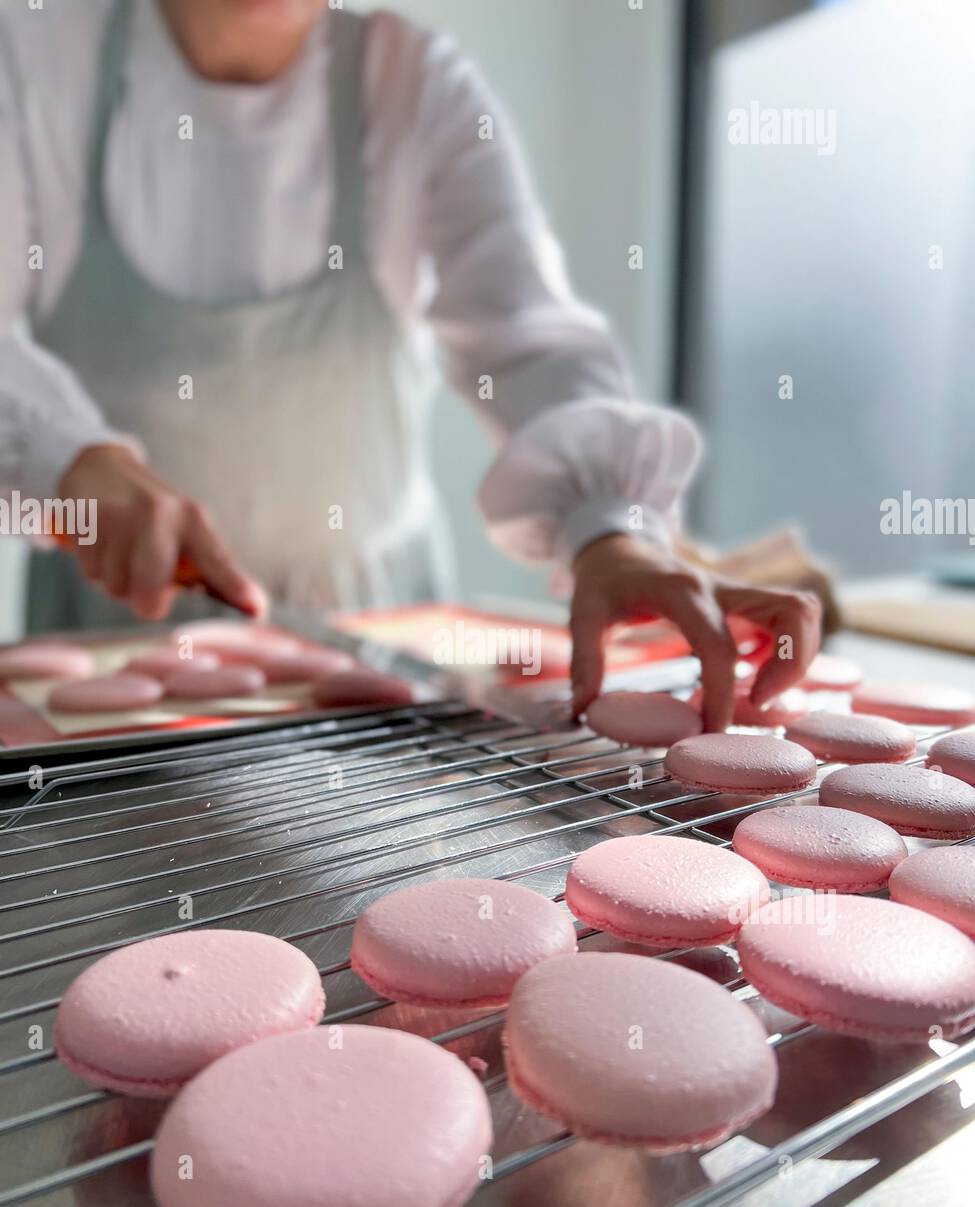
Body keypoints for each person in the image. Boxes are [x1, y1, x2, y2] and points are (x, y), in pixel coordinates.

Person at [0, 0, 820, 728]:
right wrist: (64, 458)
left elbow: (524, 335)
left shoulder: (415, 85)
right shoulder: (36, 58)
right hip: (111, 635)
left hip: (371, 627)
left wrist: (612, 533)